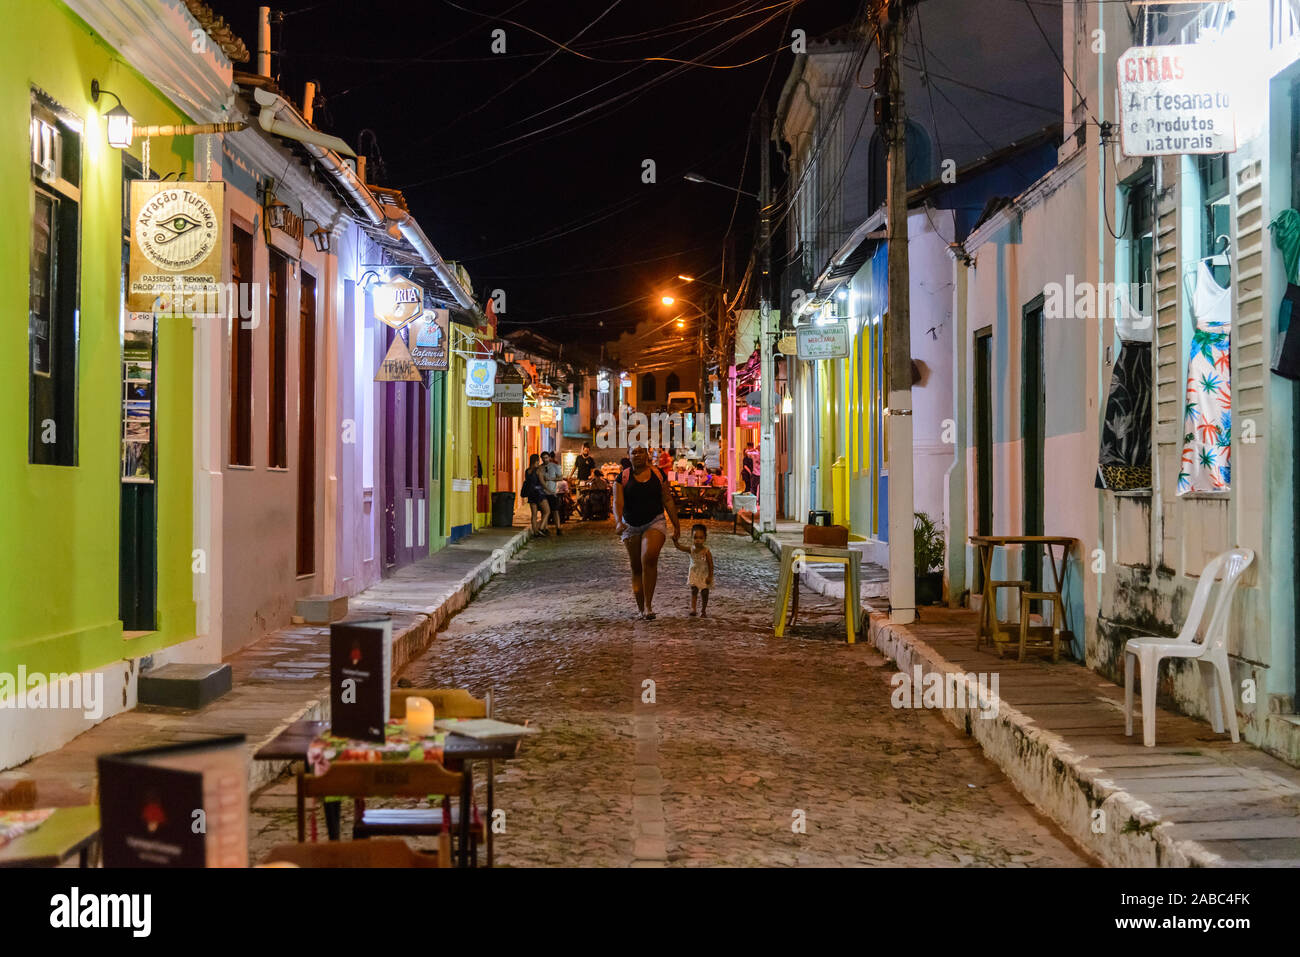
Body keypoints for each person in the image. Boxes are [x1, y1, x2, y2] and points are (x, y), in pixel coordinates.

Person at [614, 445, 681, 621]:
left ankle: (649, 606)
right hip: (630, 525)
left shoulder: (658, 474)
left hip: (654, 521)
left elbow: (667, 499)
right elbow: (617, 503)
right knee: (636, 567)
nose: (637, 455)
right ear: (628, 456)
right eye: (634, 452)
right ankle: (641, 608)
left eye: (641, 451)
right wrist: (618, 522)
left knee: (649, 557)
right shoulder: (622, 478)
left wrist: (676, 524)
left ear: (647, 455)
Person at [673, 523, 714, 617]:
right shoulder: (691, 549)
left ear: (705, 538)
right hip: (694, 573)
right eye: (695, 537)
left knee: (704, 592)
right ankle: (693, 608)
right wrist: (675, 541)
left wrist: (710, 576)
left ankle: (703, 610)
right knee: (694, 590)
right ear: (692, 537)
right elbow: (679, 547)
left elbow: (711, 565)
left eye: (701, 538)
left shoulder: (706, 552)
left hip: (704, 574)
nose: (698, 540)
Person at [522, 454, 550, 538]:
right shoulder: (538, 470)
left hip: (531, 494)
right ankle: (541, 528)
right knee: (547, 511)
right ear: (536, 461)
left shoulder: (527, 471)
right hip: (539, 493)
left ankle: (535, 532)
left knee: (534, 514)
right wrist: (549, 490)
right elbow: (542, 483)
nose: (539, 462)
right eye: (538, 461)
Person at [540, 450, 563, 536]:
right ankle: (545, 528)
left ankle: (558, 528)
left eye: (546, 458)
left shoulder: (554, 466)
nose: (545, 459)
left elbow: (560, 478)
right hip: (543, 493)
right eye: (543, 458)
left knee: (555, 511)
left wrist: (551, 479)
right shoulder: (540, 468)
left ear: (549, 457)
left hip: (552, 492)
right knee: (544, 511)